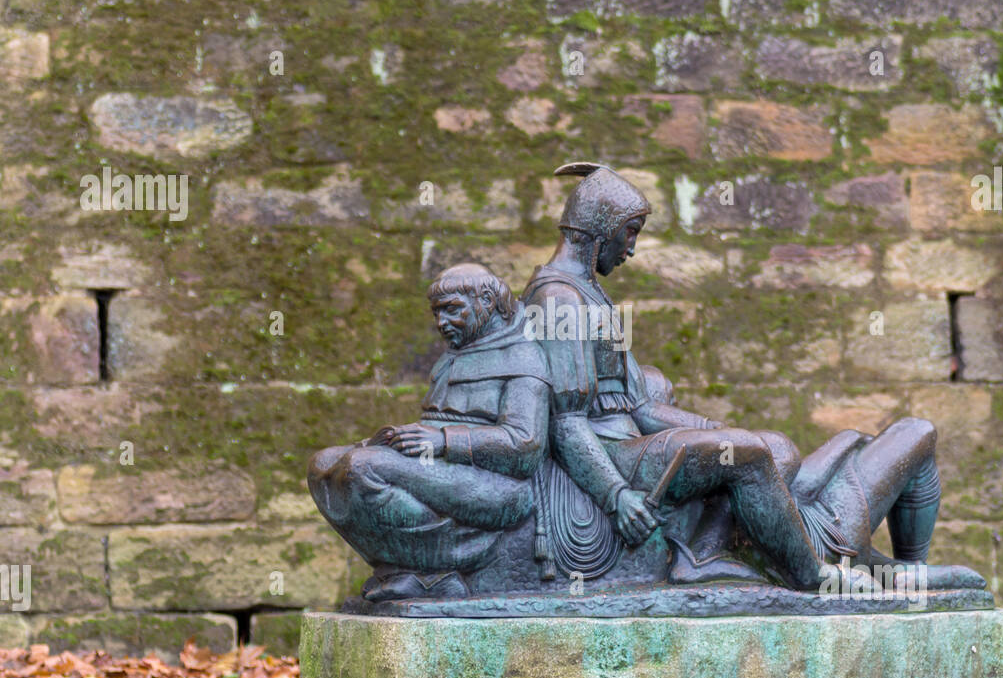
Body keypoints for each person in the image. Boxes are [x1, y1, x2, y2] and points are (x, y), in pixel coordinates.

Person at [521, 163, 947, 591]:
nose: (630, 250)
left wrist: (717, 431)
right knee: (749, 454)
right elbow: (567, 423)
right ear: (601, 226)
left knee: (767, 446)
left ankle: (701, 554)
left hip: (630, 437)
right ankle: (812, 576)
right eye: (630, 232)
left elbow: (641, 406)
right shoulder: (558, 298)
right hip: (614, 452)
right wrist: (616, 496)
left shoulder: (588, 292)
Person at [307, 264, 550, 601]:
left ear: (487, 300)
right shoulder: (454, 356)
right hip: (445, 468)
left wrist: (444, 440)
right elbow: (434, 421)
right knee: (324, 464)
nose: (441, 323)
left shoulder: (523, 356)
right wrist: (391, 442)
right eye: (437, 313)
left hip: (497, 484)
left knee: (363, 467)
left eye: (452, 310)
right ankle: (403, 568)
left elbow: (525, 446)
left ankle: (432, 574)